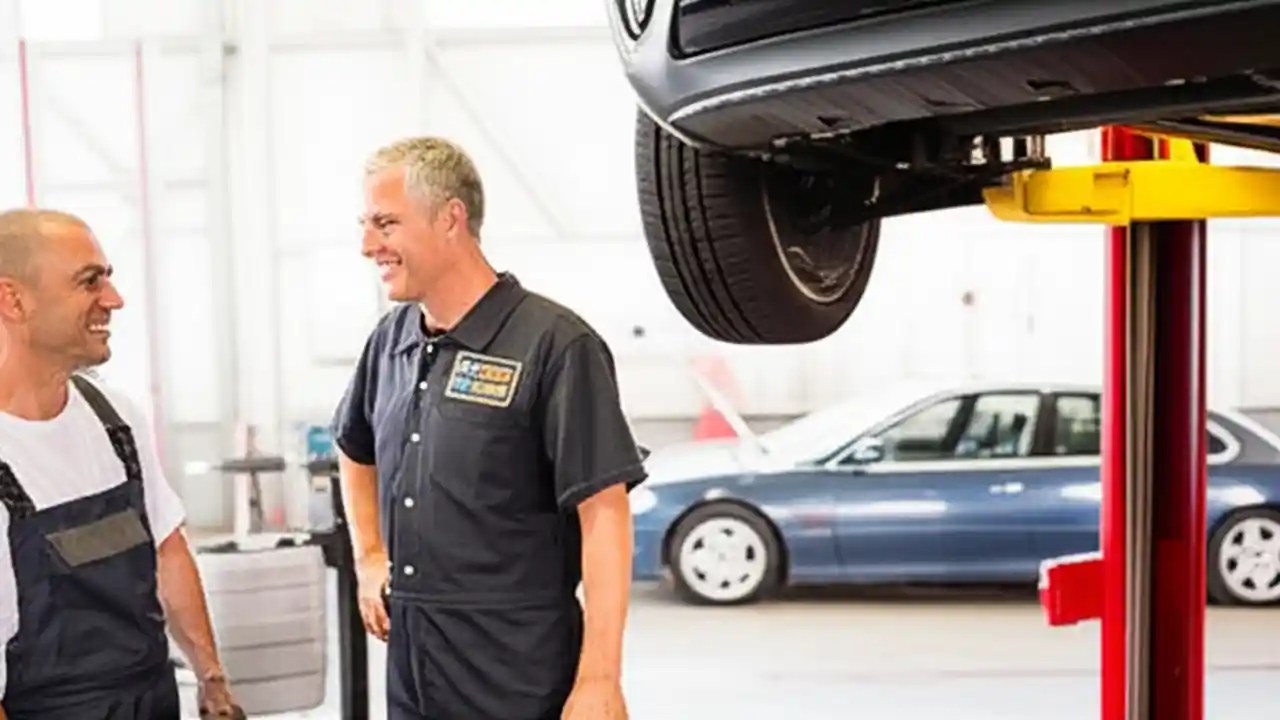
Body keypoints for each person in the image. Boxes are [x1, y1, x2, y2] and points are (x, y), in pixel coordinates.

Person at [332, 137, 648, 720]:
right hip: (414, 670)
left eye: (385, 223)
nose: (366, 245)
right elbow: (354, 447)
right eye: (365, 225)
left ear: (451, 218)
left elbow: (604, 512)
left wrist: (601, 676)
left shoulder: (555, 346)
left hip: (518, 674)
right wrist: (369, 554)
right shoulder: (390, 342)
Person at [0, 208, 241, 719]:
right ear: (12, 300)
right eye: (90, 282)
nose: (114, 299)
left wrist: (211, 676)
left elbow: (167, 550)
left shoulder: (115, 420)